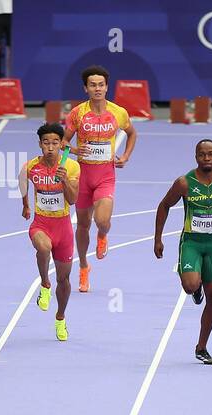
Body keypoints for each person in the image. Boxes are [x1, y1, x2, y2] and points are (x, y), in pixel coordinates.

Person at [153, 140, 212, 365]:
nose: (207, 158)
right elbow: (164, 205)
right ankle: (195, 286)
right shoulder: (184, 183)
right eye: (202, 155)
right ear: (196, 157)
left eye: (211, 154)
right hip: (191, 242)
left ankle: (202, 347)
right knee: (191, 285)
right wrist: (158, 239)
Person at [61, 65, 137, 292]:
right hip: (82, 177)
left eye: (101, 85)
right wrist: (75, 152)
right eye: (92, 85)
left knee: (101, 221)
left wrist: (125, 156)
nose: (97, 89)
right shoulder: (77, 113)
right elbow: (63, 143)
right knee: (83, 225)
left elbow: (132, 133)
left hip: (105, 176)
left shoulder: (118, 112)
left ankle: (102, 235)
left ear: (106, 87)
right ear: (86, 88)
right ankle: (84, 267)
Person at [19, 123, 80, 341]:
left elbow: (73, 200)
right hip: (41, 224)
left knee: (64, 280)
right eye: (46, 143)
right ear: (40, 145)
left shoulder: (71, 167)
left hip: (63, 228)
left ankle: (60, 318)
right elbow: (22, 180)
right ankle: (45, 282)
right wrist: (25, 204)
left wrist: (64, 180)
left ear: (62, 144)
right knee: (43, 248)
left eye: (55, 143)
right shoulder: (31, 166)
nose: (51, 147)